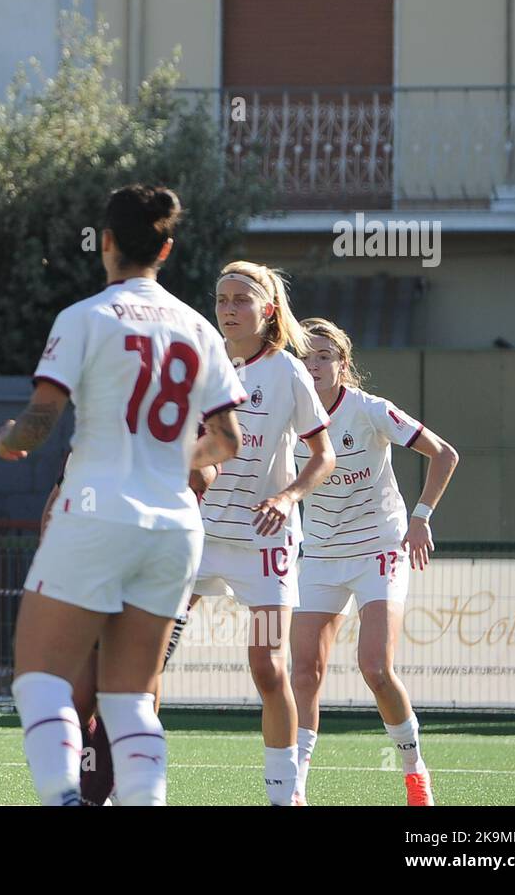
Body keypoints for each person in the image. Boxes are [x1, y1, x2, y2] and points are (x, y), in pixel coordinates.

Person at [0, 185, 244, 806]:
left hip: (98, 512)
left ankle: (61, 798)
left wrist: (7, 440)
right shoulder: (197, 327)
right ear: (166, 247)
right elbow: (228, 440)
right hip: (175, 527)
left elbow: (38, 421)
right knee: (132, 697)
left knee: (38, 679)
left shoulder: (86, 316)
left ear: (105, 242)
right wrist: (163, 462)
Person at [176, 260, 336, 806]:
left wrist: (288, 496)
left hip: (266, 543)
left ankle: (283, 795)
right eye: (221, 298)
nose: (227, 309)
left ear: (267, 309)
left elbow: (323, 455)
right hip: (195, 536)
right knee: (148, 658)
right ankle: (131, 787)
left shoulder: (288, 372)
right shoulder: (202, 362)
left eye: (240, 299)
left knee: (269, 668)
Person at [289, 318, 458, 806]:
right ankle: (296, 785)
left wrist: (421, 518)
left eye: (324, 356)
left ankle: (413, 770)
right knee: (303, 672)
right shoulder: (288, 415)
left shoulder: (369, 410)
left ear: (343, 363)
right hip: (319, 552)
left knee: (375, 669)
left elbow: (444, 455)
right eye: (305, 356)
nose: (314, 365)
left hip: (379, 548)